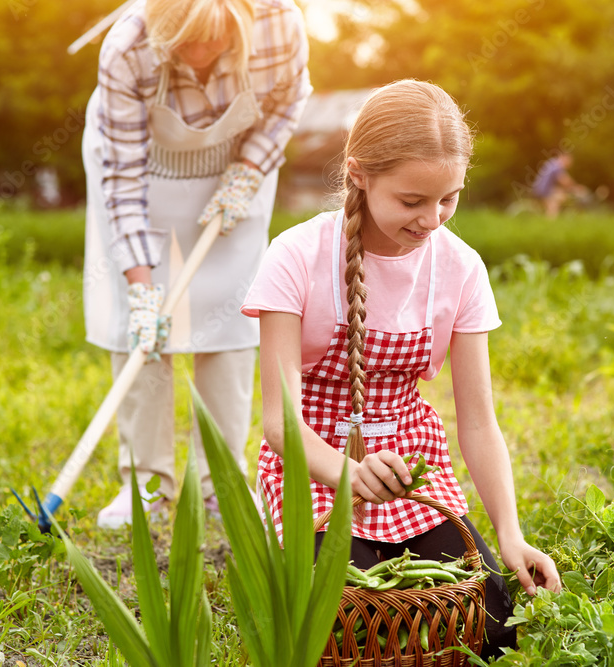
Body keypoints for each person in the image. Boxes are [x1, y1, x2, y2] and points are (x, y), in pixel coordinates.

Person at [241, 80, 561, 656]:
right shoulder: (296, 255)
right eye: (412, 201)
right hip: (312, 466)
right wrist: (349, 475)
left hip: (413, 467)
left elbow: (480, 423)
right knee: (343, 622)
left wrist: (510, 534)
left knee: (487, 622)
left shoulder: (461, 268)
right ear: (359, 173)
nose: (433, 219)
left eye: (449, 199)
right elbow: (279, 421)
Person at [81, 0, 311, 529]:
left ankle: (223, 483)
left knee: (231, 314)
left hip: (234, 167)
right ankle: (145, 484)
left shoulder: (279, 22)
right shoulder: (127, 47)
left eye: (213, 38)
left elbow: (285, 103)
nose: (201, 53)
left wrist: (248, 172)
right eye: (184, 41)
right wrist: (142, 288)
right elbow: (122, 179)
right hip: (144, 177)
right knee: (139, 326)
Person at [532, 151, 588, 219]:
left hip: (539, 189)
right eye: (570, 160)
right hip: (544, 191)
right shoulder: (557, 166)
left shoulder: (552, 163)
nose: (570, 164)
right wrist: (576, 187)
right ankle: (552, 220)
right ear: (565, 157)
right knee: (558, 201)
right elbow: (564, 181)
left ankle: (551, 219)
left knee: (561, 195)